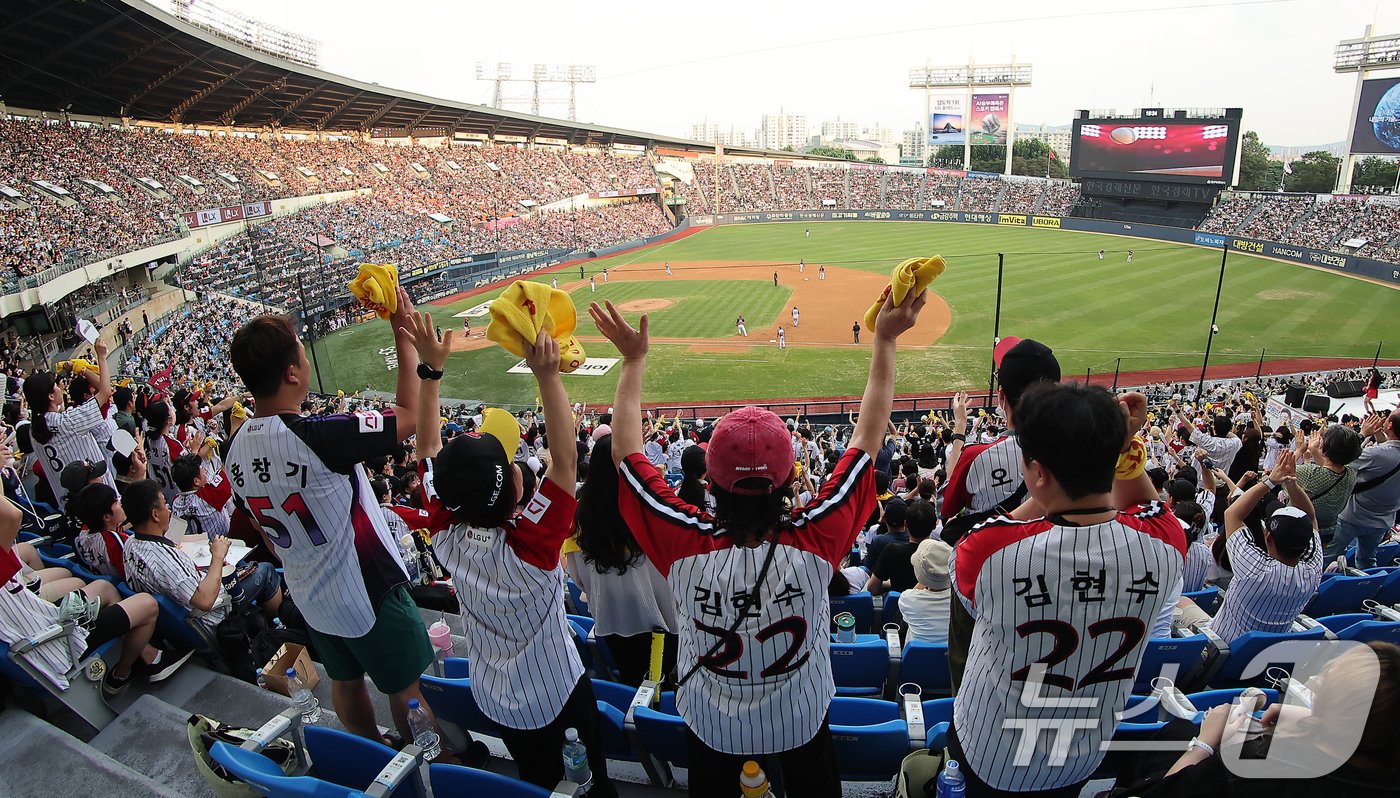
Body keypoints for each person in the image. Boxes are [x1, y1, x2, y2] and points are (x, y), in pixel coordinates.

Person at [597, 285, 928, 798]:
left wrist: (633, 363)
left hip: (712, 726)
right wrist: (884, 342)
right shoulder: (816, 536)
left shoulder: (683, 541)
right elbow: (866, 441)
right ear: (791, 479)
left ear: (709, 483)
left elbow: (623, 456)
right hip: (800, 720)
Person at [403, 310, 617, 795]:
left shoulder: (447, 534)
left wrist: (430, 374)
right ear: (514, 488)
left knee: (537, 779)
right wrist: (547, 374)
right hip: (557, 693)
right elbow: (566, 458)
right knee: (591, 781)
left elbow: (426, 451)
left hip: (497, 698)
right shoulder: (532, 543)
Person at [226, 290, 447, 752]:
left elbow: (264, 535)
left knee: (345, 680)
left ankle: (371, 747)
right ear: (292, 373)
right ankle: (434, 758)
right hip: (367, 589)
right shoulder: (322, 436)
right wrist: (401, 334)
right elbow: (407, 417)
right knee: (406, 690)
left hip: (308, 589)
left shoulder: (235, 449)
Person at [948, 381, 1184, 796]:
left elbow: (1010, 530)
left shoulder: (985, 550)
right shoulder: (1166, 543)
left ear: (1039, 472)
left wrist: (1078, 463)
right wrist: (1113, 447)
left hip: (991, 751)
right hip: (1080, 752)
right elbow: (1139, 504)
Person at [1115, 641, 1400, 796]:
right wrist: (1316, 719)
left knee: (1178, 730)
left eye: (1326, 690)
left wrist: (1205, 743)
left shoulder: (1248, 771)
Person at [0, 484, 191, 696]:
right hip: (55, 643)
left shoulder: (86, 536)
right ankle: (122, 673)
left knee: (104, 586)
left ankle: (144, 652)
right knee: (147, 604)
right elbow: (12, 514)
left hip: (46, 623)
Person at [568, 434, 679, 687]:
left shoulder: (578, 517)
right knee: (668, 691)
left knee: (635, 689)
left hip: (612, 622)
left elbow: (578, 580)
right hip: (664, 625)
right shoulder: (655, 511)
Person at [1177, 452, 1321, 641]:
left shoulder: (1254, 567)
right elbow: (1310, 518)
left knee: (1179, 600)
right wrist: (1291, 483)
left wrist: (1271, 481)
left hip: (1219, 644)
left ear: (1268, 536)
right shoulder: (1313, 568)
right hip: (1266, 651)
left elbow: (1232, 514)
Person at [122, 479, 283, 633]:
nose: (169, 509)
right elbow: (205, 600)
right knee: (267, 571)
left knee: (242, 566)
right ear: (155, 515)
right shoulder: (164, 560)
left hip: (178, 619)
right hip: (211, 617)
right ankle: (276, 628)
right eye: (165, 503)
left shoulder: (130, 544)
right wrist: (218, 556)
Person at [24, 344, 116, 511]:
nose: (61, 388)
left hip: (69, 505)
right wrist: (99, 358)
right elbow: (106, 391)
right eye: (56, 386)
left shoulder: (33, 429)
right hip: (99, 503)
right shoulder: (67, 422)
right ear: (51, 396)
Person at [1327, 412, 1400, 568]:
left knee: (1329, 556)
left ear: (1390, 425)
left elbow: (1343, 459)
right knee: (1367, 561)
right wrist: (1379, 434)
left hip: (1353, 516)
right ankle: (1366, 589)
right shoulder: (1383, 453)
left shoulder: (1376, 454)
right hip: (1383, 520)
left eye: (1387, 418)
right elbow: (1391, 453)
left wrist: (1362, 434)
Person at [1294, 425, 1362, 547]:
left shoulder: (1309, 473)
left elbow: (1280, 470)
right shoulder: (1351, 474)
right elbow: (1331, 470)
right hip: (1328, 531)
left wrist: (1299, 450)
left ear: (1325, 447)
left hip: (1300, 527)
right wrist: (1315, 451)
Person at [867, 498, 936, 595]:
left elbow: (872, 588)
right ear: (934, 526)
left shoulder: (891, 551)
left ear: (906, 524)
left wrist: (891, 586)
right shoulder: (941, 553)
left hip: (897, 608)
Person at [900, 535, 954, 644]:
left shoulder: (908, 599)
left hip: (916, 660)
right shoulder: (962, 601)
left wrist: (929, 576)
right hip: (949, 659)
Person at [170, 453, 233, 540]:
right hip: (220, 548)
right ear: (196, 481)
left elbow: (175, 537)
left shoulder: (175, 503)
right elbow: (227, 467)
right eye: (202, 469)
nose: (204, 470)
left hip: (192, 550)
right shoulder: (208, 495)